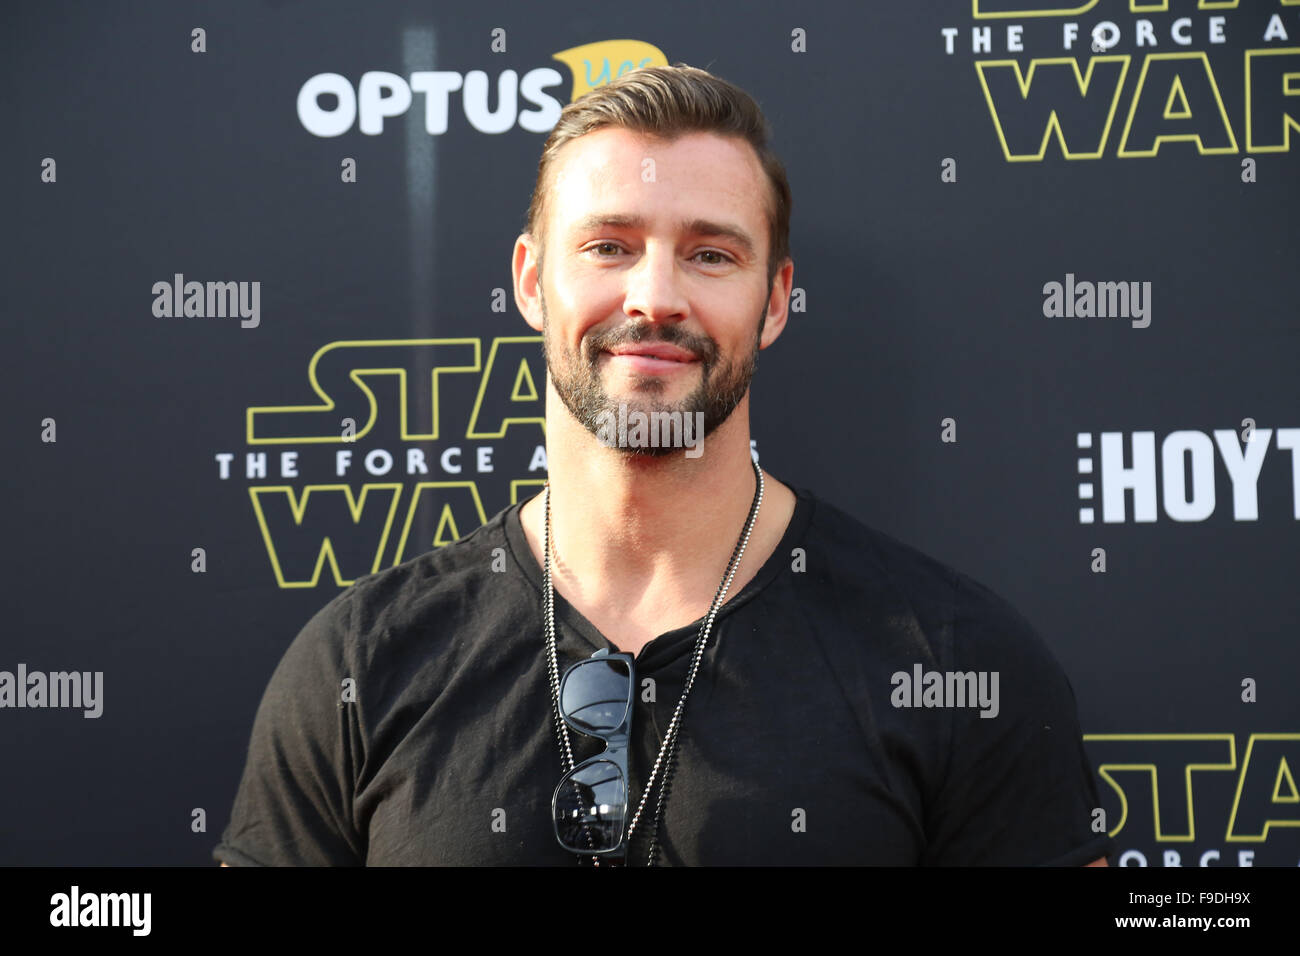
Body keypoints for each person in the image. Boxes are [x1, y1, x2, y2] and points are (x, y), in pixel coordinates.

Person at [214, 63, 1113, 867]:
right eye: (609, 246)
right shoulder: (361, 663)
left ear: (774, 302)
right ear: (532, 281)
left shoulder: (955, 660)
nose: (654, 296)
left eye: (710, 254)